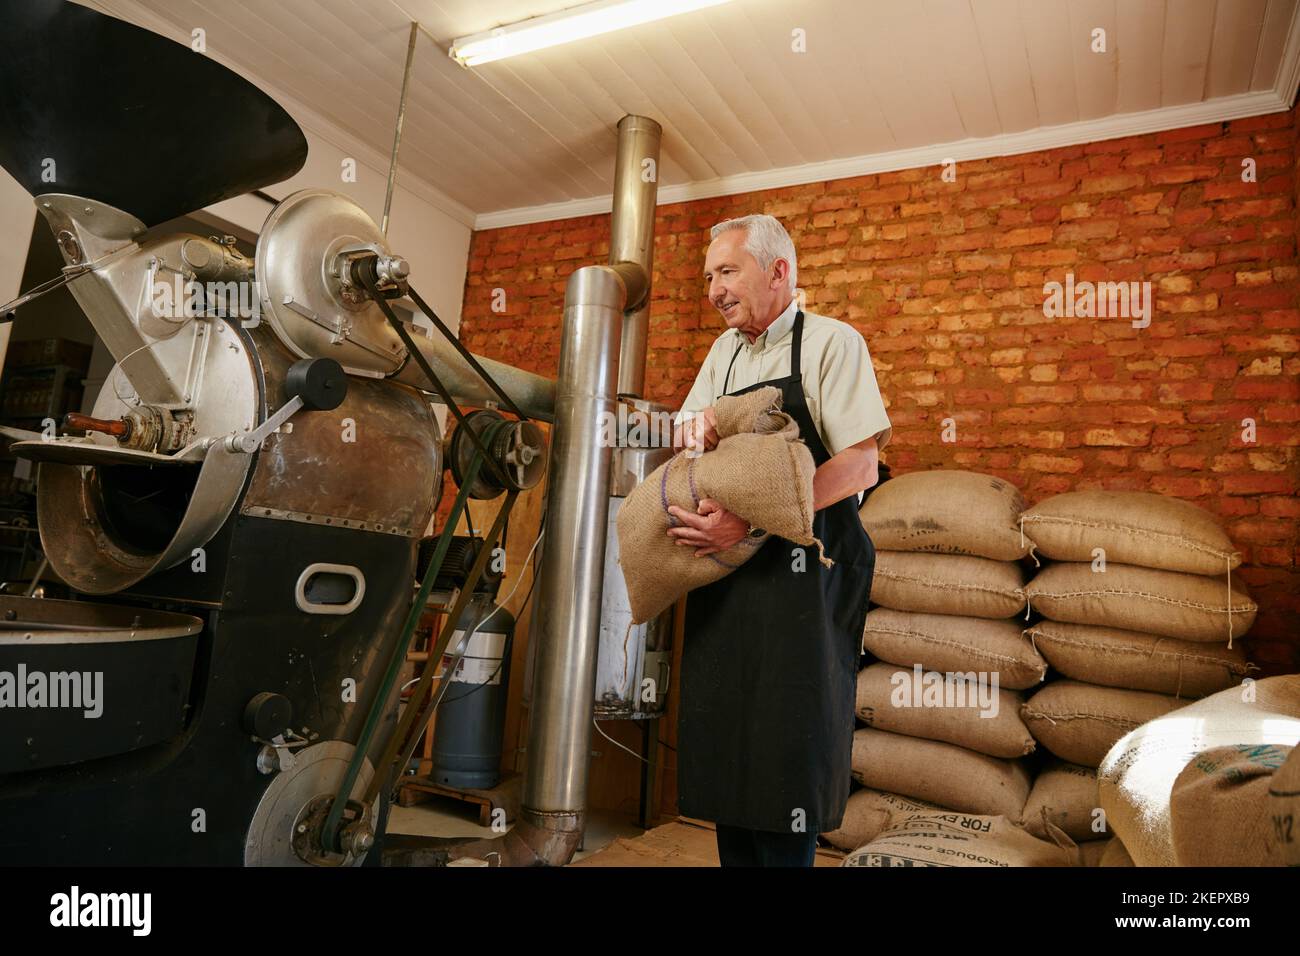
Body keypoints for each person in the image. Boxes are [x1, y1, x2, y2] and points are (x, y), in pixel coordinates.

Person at [668, 214, 891, 867]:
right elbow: (689, 436)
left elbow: (858, 465)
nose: (713, 288)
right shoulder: (725, 353)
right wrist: (694, 447)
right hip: (730, 568)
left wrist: (754, 521)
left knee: (788, 738)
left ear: (779, 272)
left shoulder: (830, 342)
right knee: (729, 739)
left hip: (806, 562)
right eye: (709, 275)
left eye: (727, 271)